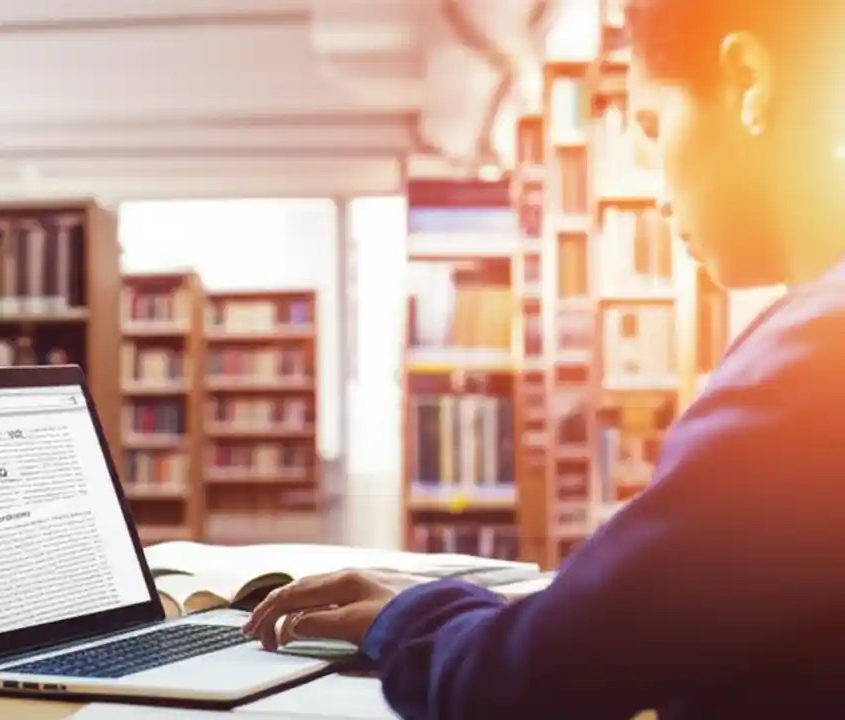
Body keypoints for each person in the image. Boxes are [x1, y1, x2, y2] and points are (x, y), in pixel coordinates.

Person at [242, 2, 845, 718]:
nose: (656, 194)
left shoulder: (810, 369)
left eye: (653, 125)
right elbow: (622, 637)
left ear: (749, 81)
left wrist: (413, 617)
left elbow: (515, 691)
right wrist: (479, 613)